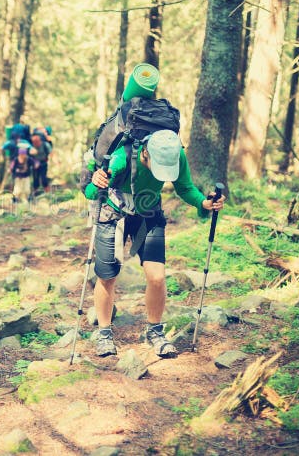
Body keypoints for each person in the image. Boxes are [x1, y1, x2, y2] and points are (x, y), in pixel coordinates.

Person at [83, 129, 225, 357]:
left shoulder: (176, 154)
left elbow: (185, 188)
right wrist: (96, 181)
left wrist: (204, 204)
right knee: (107, 275)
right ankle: (104, 333)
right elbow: (90, 193)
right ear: (145, 154)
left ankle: (155, 331)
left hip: (148, 210)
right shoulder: (122, 158)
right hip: (113, 210)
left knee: (157, 277)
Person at [30, 127, 53, 194]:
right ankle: (35, 193)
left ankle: (47, 192)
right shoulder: (31, 146)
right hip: (34, 164)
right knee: (35, 179)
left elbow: (51, 152)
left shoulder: (45, 145)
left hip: (43, 163)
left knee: (44, 178)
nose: (35, 143)